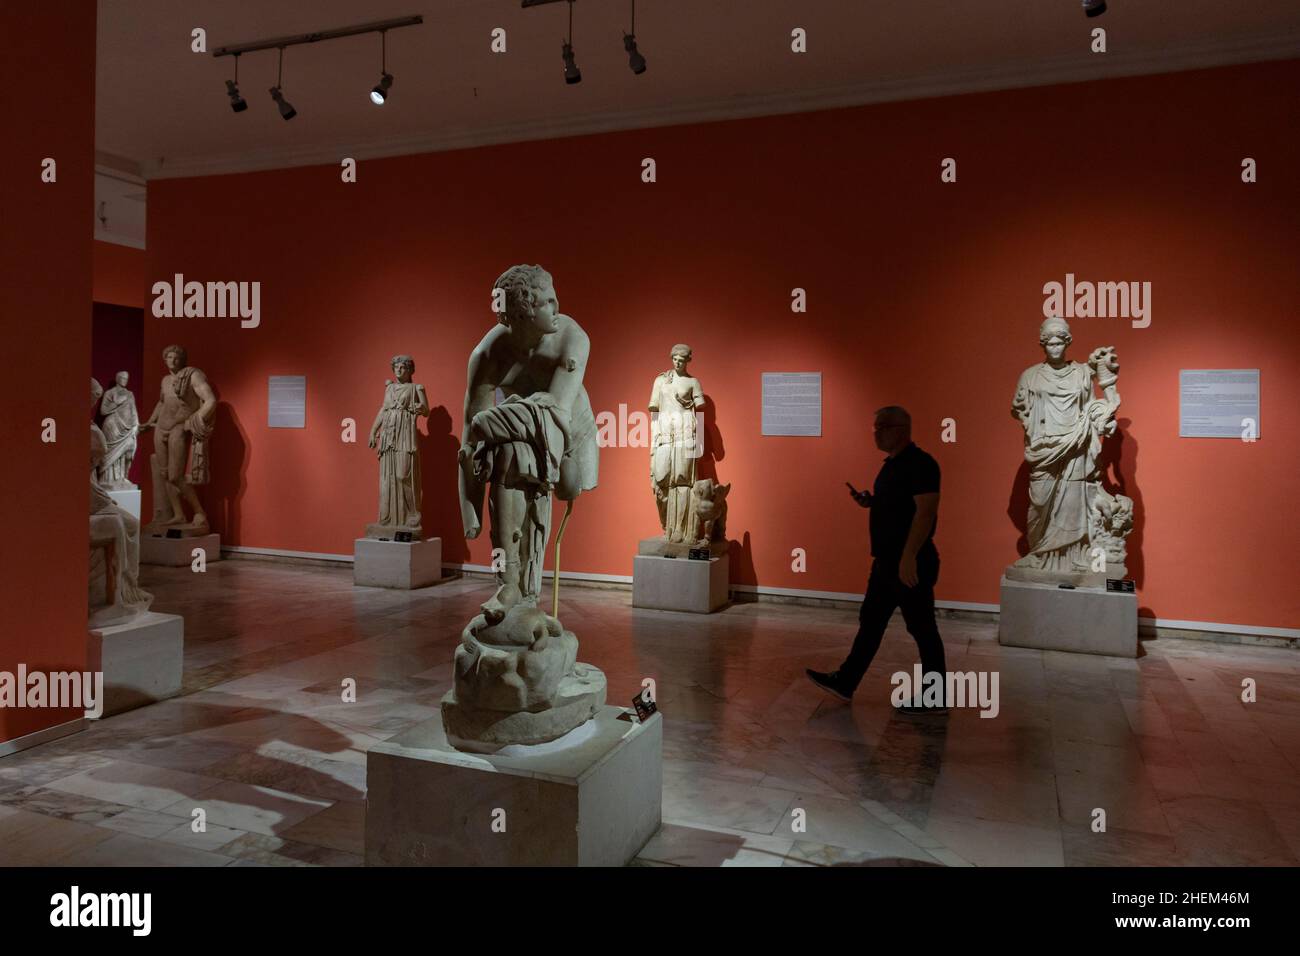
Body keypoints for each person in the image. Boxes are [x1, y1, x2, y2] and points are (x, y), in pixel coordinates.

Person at [806, 406, 948, 714]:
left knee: (922, 628)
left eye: (881, 427)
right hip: (886, 562)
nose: (876, 433)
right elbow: (900, 506)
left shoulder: (922, 464)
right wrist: (871, 501)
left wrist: (909, 556)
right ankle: (846, 681)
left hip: (909, 563)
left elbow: (925, 514)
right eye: (875, 427)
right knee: (870, 622)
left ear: (900, 429)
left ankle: (936, 696)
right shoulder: (892, 465)